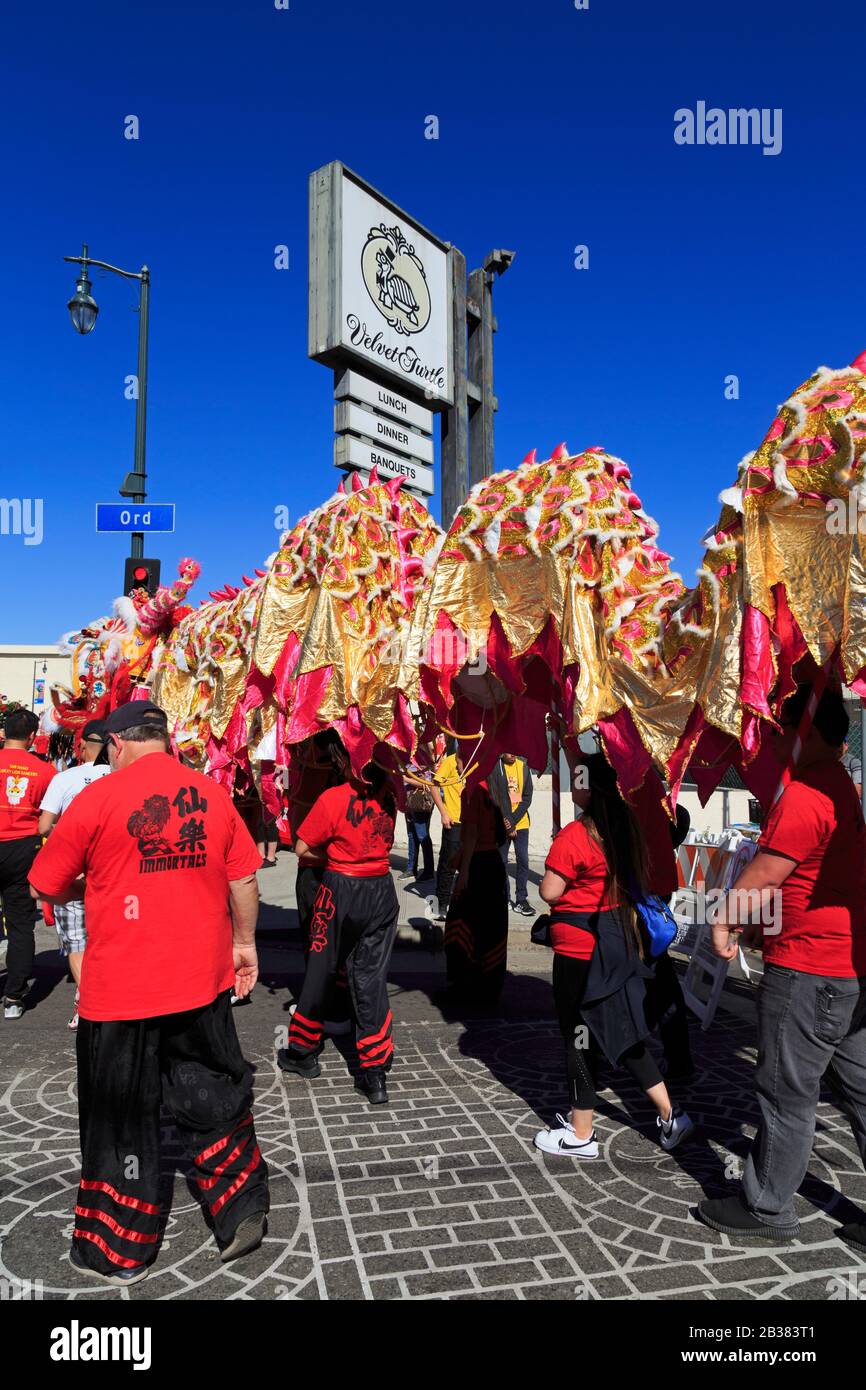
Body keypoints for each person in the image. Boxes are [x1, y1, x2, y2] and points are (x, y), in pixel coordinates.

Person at [28, 700, 269, 1284]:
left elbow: (48, 884)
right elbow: (243, 878)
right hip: (201, 979)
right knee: (213, 1089)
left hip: (121, 993)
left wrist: (103, 879)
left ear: (116, 744)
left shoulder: (95, 800)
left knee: (121, 1116)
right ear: (163, 740)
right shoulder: (210, 794)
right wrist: (245, 946)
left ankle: (120, 1246)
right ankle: (240, 1206)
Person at [698, 685, 866, 1249]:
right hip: (847, 968)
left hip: (809, 969)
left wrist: (723, 918)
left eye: (780, 730)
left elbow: (767, 873)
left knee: (785, 1089)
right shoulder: (841, 787)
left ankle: (768, 1205)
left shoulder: (808, 792)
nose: (772, 741)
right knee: (862, 1090)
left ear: (807, 733)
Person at [534, 752, 694, 1158]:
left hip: (580, 950)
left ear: (590, 787)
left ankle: (581, 1133)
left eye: (578, 779)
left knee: (579, 1036)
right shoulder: (626, 828)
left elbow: (549, 891)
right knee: (624, 1034)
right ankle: (671, 1114)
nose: (574, 784)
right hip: (618, 940)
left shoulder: (575, 835)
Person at [277, 760, 399, 1105]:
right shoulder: (388, 796)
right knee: (370, 976)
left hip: (341, 889)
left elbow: (302, 848)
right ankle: (374, 1070)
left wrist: (333, 854)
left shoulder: (333, 798)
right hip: (380, 889)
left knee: (322, 967)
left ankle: (302, 1050)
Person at [38, 719, 111, 1031]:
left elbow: (43, 827)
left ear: (82, 746)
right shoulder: (122, 777)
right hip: (114, 872)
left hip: (75, 871)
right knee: (108, 939)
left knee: (78, 942)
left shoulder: (66, 778)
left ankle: (87, 1002)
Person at [0, 707, 56, 1019]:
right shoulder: (45, 771)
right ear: (33, 737)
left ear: (4, 733)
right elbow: (52, 815)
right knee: (21, 921)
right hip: (23, 846)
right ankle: (14, 997)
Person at [444, 778, 509, 999]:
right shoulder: (495, 787)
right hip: (493, 862)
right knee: (491, 926)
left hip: (478, 865)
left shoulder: (471, 790)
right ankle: (489, 984)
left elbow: (472, 833)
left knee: (462, 923)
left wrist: (464, 873)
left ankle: (465, 984)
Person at [489, 753, 533, 916]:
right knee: (501, 861)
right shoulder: (496, 767)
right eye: (508, 750)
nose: (512, 754)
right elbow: (495, 796)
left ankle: (521, 899)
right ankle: (504, 897)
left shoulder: (523, 767)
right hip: (502, 822)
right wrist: (507, 822)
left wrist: (513, 821)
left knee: (523, 860)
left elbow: (527, 798)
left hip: (520, 823)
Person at [431, 742, 465, 921]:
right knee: (448, 865)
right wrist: (443, 812)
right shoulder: (450, 762)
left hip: (471, 825)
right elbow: (434, 785)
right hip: (453, 823)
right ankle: (441, 905)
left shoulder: (475, 762)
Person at [401, 772, 435, 882]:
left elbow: (427, 783)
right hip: (409, 801)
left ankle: (429, 871)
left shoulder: (423, 761)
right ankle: (411, 869)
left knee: (422, 836)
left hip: (420, 802)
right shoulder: (406, 761)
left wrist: (405, 778)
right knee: (411, 835)